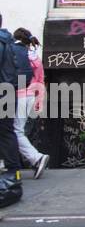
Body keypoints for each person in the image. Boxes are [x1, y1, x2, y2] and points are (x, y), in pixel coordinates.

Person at [0, 15, 34, 187]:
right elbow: (27, 75)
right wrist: (12, 86)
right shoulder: (14, 45)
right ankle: (14, 171)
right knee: (7, 131)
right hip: (8, 93)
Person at [11, 29, 49, 178]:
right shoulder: (36, 59)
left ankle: (36, 158)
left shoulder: (15, 54)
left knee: (15, 131)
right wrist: (39, 102)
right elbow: (40, 82)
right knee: (16, 130)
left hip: (17, 95)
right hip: (30, 97)